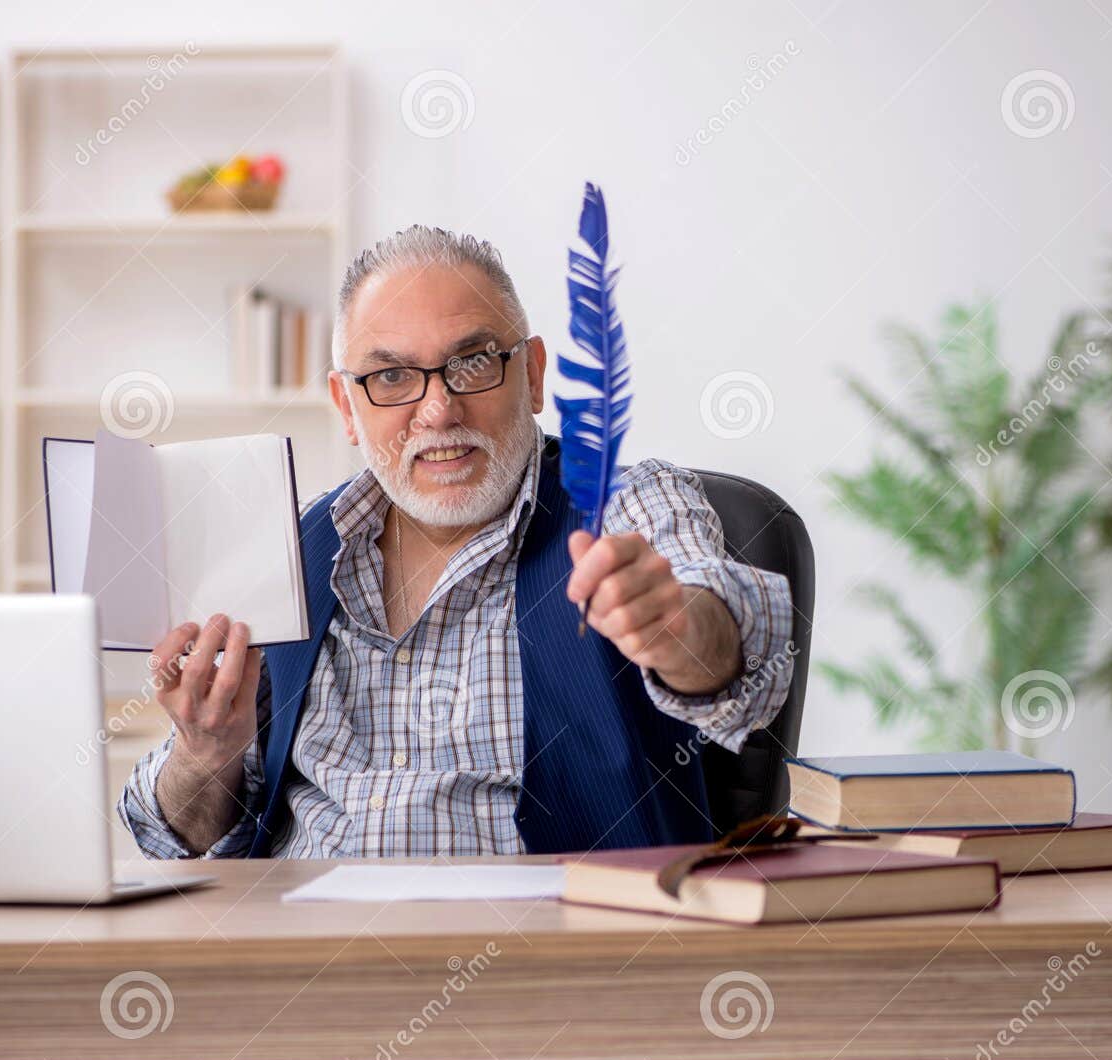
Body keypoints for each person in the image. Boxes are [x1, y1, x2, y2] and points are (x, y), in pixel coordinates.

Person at [119, 226, 794, 858]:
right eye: (390, 377)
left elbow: (740, 646)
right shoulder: (285, 546)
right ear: (346, 406)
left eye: (471, 363)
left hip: (556, 959)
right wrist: (206, 754)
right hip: (308, 961)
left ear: (532, 374)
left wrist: (682, 625)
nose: (438, 410)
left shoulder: (626, 504)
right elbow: (171, 834)